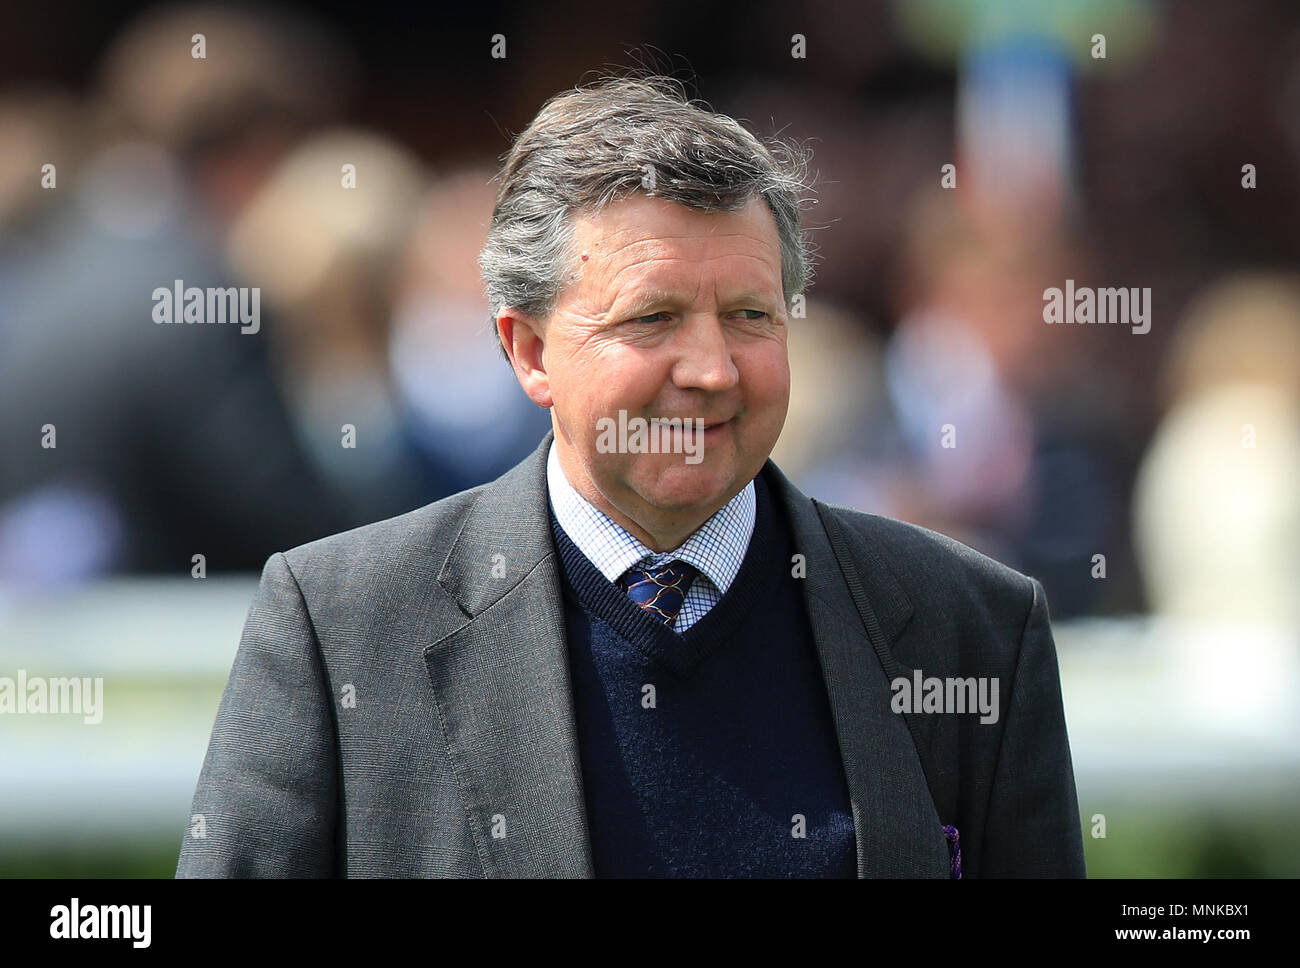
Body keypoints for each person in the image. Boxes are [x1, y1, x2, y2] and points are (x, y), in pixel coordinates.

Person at [176, 76, 1085, 878]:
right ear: (529, 351)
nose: (713, 368)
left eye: (748, 315)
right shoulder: (340, 624)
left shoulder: (972, 631)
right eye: (652, 319)